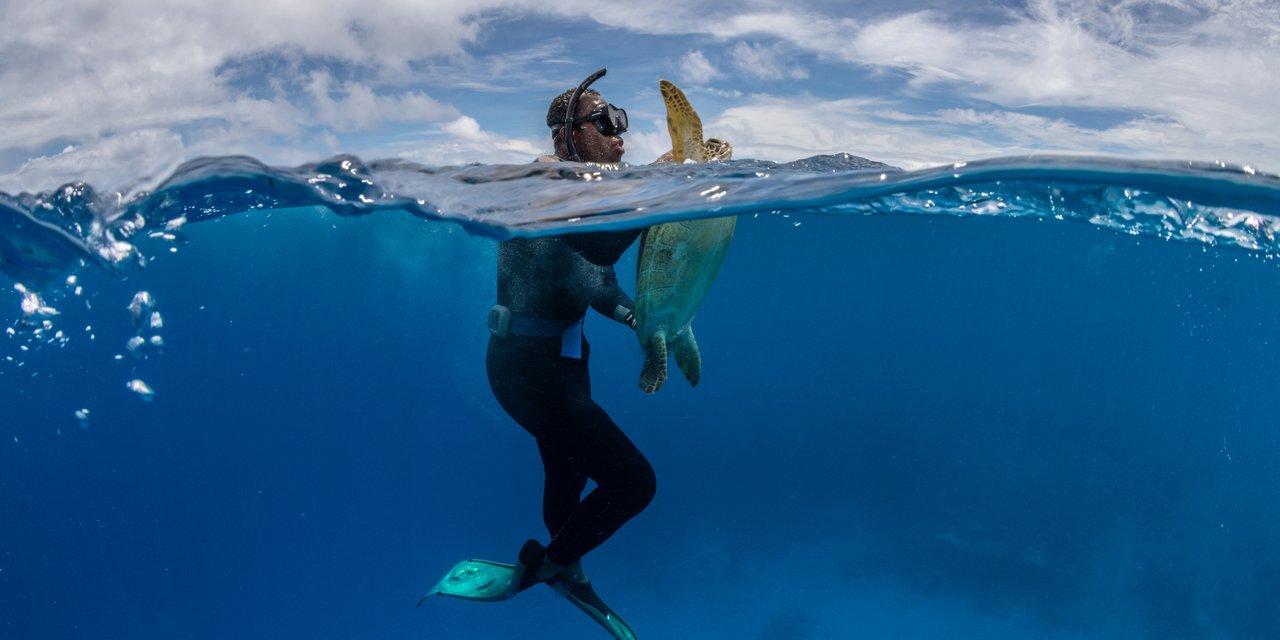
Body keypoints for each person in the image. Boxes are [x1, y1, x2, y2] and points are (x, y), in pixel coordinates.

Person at [484, 69, 656, 600]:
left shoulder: (593, 192)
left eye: (621, 121)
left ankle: (568, 562)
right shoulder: (546, 186)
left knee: (567, 474)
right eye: (605, 122)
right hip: (525, 368)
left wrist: (634, 319)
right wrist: (656, 195)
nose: (619, 134)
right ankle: (548, 564)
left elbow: (599, 282)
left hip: (567, 358)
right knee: (633, 484)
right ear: (567, 136)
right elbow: (600, 249)